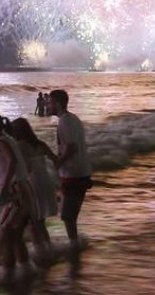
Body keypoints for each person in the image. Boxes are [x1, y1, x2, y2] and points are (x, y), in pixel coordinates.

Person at [0, 112, 35, 283]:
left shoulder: (2, 142)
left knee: (6, 239)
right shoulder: (9, 140)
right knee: (16, 237)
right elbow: (21, 164)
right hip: (23, 189)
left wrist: (5, 186)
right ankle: (26, 273)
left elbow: (12, 161)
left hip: (15, 192)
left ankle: (9, 277)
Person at [49, 89, 92, 262]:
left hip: (73, 173)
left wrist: (59, 162)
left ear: (58, 103)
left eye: (50, 102)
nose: (47, 105)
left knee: (67, 215)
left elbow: (72, 147)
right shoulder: (73, 119)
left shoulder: (65, 121)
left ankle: (74, 248)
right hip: (80, 171)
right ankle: (75, 245)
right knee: (69, 215)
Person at [7, 117, 59, 261]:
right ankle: (48, 248)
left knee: (32, 221)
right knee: (39, 220)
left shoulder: (19, 146)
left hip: (33, 184)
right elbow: (55, 159)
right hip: (46, 182)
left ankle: (40, 254)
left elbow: (26, 170)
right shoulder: (39, 144)